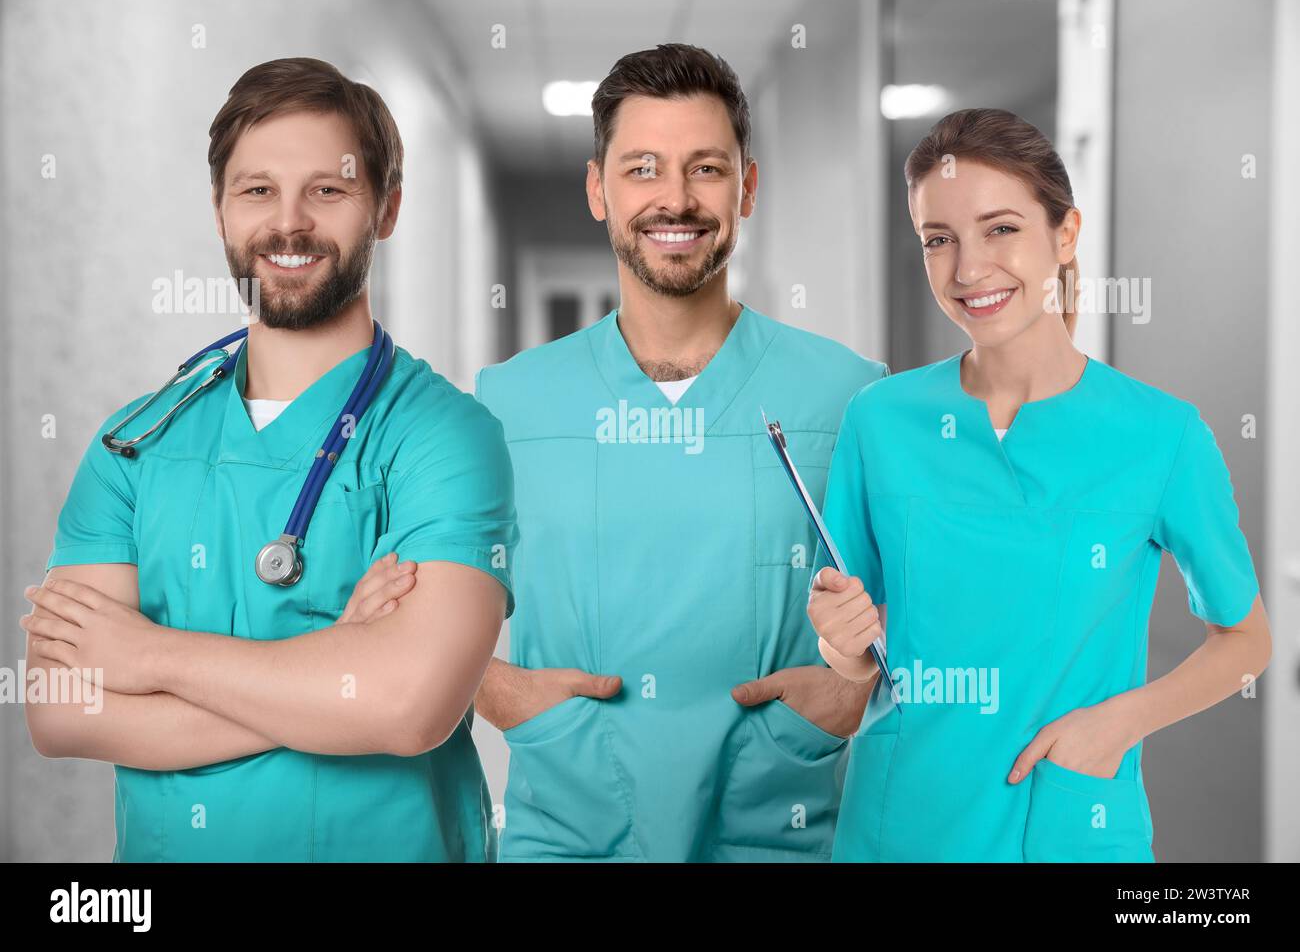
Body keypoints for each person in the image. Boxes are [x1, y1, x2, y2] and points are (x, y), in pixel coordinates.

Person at [21, 58, 516, 862]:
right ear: (220, 212)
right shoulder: (134, 443)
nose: (289, 224)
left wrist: (147, 657)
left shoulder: (446, 437)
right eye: (257, 191)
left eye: (328, 189)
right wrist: (327, 668)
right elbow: (59, 712)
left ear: (385, 208)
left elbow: (406, 708)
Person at [808, 108, 1272, 862]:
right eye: (939, 240)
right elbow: (859, 652)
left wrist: (1117, 724)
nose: (967, 270)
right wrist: (840, 642)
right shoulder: (880, 421)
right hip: (899, 824)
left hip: (1066, 825)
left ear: (1064, 235)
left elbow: (1246, 639)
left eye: (1000, 230)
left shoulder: (1160, 435)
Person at [473, 44, 888, 862]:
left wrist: (850, 689)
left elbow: (922, 607)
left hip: (777, 832)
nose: (675, 199)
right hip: (569, 834)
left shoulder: (848, 395)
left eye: (705, 169)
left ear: (748, 187)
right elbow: (417, 606)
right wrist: (498, 690)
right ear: (598, 189)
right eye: (642, 169)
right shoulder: (510, 401)